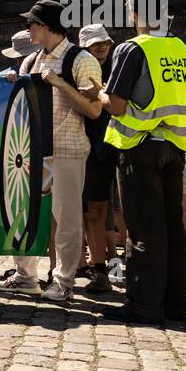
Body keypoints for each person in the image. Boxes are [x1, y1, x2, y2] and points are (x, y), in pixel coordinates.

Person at [99, 0, 186, 325]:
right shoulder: (181, 48)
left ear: (135, 14)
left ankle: (142, 305)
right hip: (176, 146)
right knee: (172, 228)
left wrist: (97, 92)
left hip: (139, 146)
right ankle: (174, 303)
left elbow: (116, 104)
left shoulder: (132, 48)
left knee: (143, 229)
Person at [0, 1, 102, 303]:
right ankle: (26, 276)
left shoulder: (81, 59)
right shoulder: (30, 61)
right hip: (32, 150)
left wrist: (60, 84)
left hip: (68, 147)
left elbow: (95, 110)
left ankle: (64, 281)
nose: (26, 29)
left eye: (30, 24)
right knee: (23, 211)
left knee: (66, 216)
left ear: (45, 26)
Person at [78, 24, 118, 294]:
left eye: (104, 42)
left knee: (118, 211)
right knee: (94, 211)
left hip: (120, 144)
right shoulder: (78, 70)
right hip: (93, 147)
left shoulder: (119, 67)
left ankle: (112, 262)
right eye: (95, 44)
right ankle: (99, 268)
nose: (101, 47)